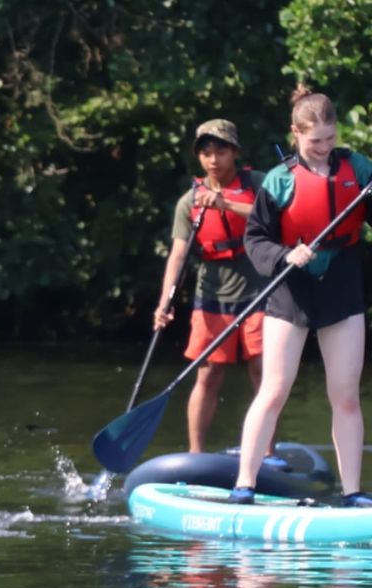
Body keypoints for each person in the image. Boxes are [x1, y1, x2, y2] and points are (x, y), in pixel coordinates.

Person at [229, 88, 372, 506]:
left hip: (342, 285)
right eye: (315, 141)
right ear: (295, 133)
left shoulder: (359, 169)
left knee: (345, 394)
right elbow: (255, 238)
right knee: (274, 389)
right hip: (291, 288)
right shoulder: (279, 180)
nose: (324, 148)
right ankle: (245, 484)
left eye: (330, 139)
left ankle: (353, 493)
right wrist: (284, 253)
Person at [153, 119, 270, 454]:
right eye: (206, 153)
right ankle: (196, 454)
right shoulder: (188, 202)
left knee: (264, 373)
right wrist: (165, 302)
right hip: (213, 295)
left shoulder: (258, 184)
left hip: (260, 292)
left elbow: (275, 216)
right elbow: (177, 257)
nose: (214, 160)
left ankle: (268, 453)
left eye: (221, 151)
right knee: (208, 375)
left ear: (234, 152)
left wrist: (227, 204)